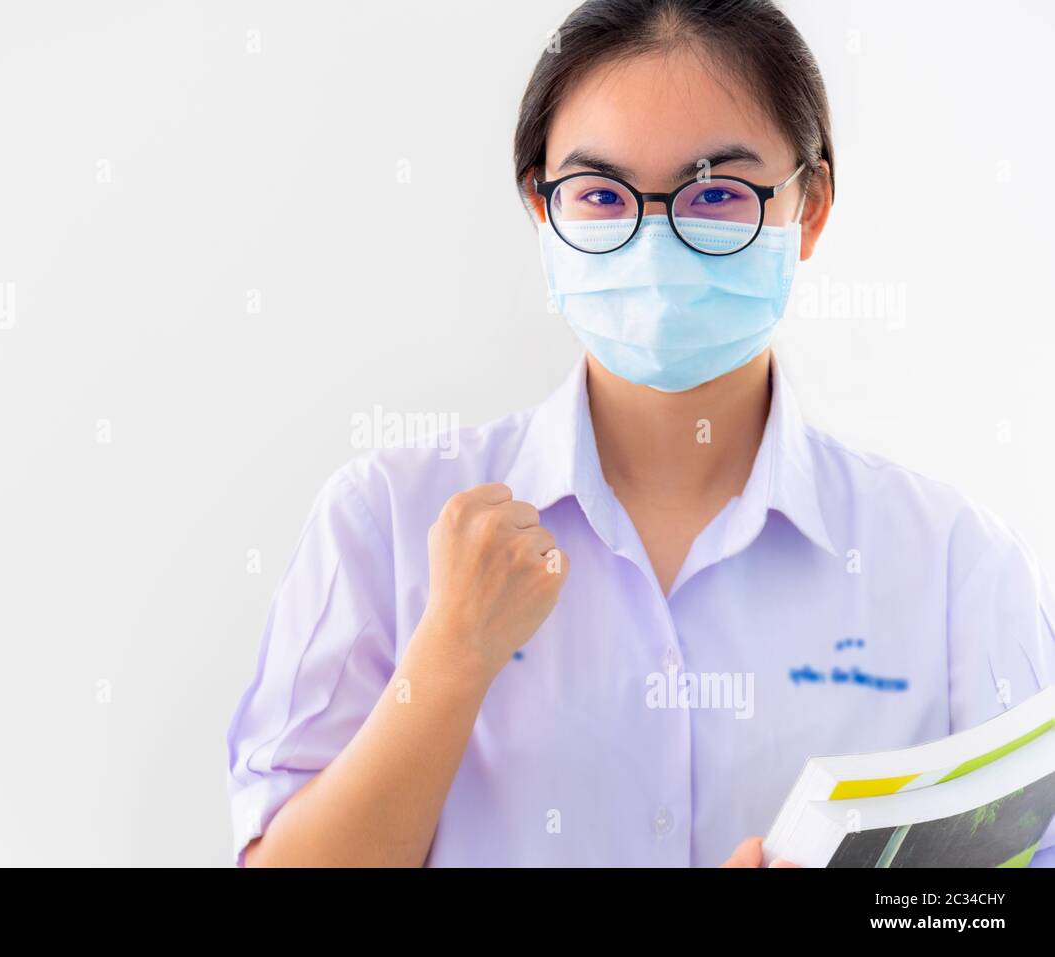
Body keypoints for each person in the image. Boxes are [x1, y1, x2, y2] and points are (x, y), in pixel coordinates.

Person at [224, 0, 1055, 867]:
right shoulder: (382, 522)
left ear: (809, 206)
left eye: (717, 193)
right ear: (542, 211)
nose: (655, 238)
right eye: (600, 193)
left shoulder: (961, 568)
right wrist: (447, 660)